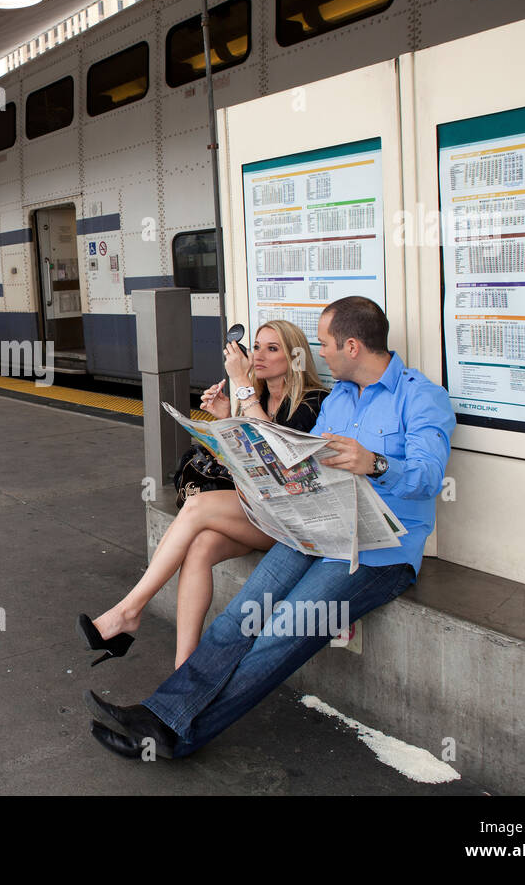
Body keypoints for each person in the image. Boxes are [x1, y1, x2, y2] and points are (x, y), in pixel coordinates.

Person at [84, 296, 456, 760]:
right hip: (318, 528)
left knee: (280, 633)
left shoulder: (422, 397)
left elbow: (427, 478)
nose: (320, 352)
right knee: (239, 619)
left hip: (379, 551)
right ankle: (162, 715)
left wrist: (375, 461)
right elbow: (296, 458)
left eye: (325, 343)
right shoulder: (340, 398)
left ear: (353, 346)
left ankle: (173, 734)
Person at [79, 320, 329, 669]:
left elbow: (275, 458)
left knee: (196, 508)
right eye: (256, 346)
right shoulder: (257, 397)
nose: (258, 355)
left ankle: (128, 611)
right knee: (199, 548)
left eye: (273, 349)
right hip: (255, 512)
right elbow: (242, 464)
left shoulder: (313, 400)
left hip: (289, 524)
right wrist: (223, 420)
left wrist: (242, 387)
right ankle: (185, 666)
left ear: (296, 356)